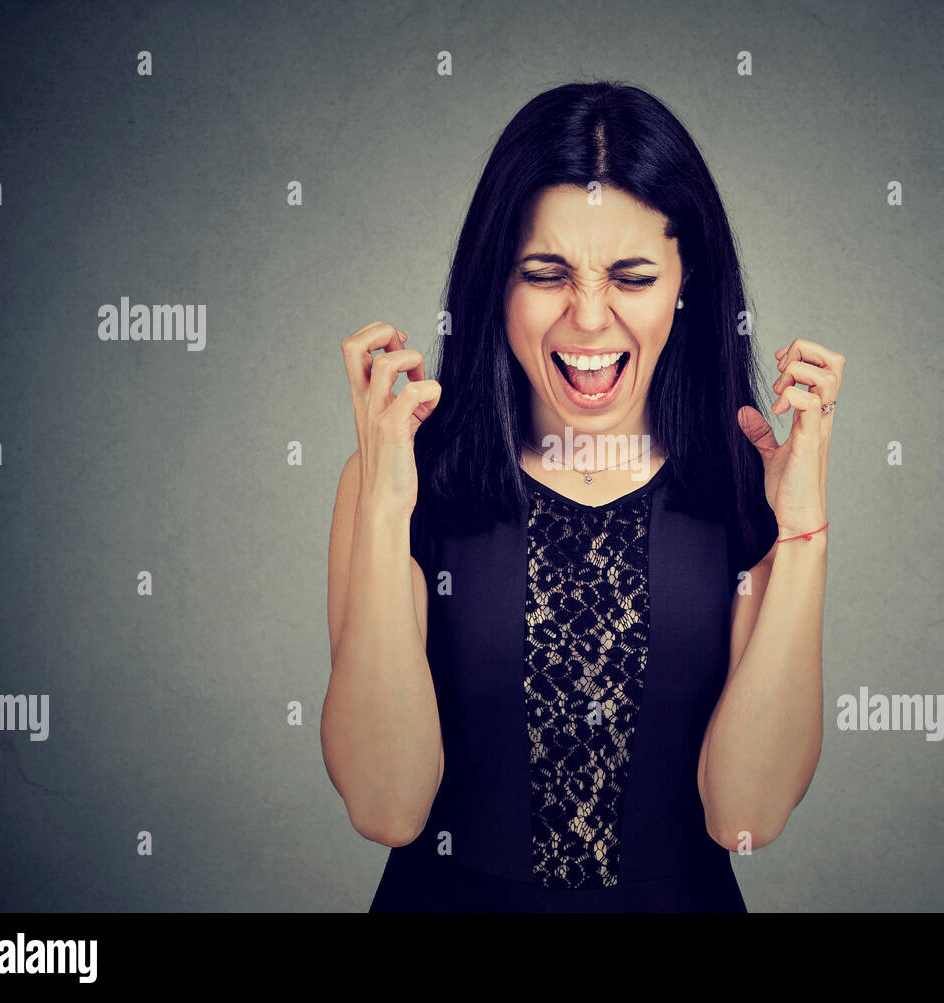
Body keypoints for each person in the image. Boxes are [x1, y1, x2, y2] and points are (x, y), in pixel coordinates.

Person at [322, 80, 842, 912]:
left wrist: (803, 530)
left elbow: (747, 816)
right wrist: (385, 509)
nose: (590, 318)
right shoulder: (399, 482)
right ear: (496, 283)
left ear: (686, 280)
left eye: (632, 277)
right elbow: (386, 807)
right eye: (545, 273)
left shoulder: (750, 492)